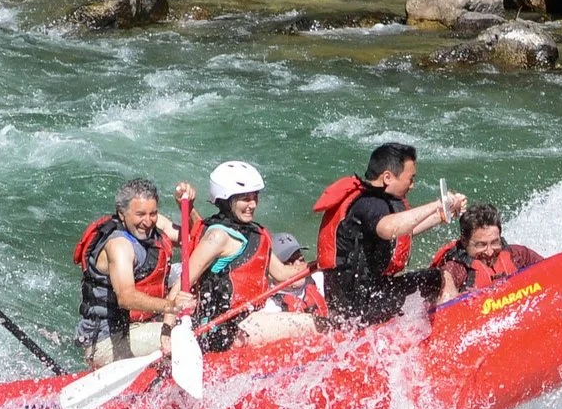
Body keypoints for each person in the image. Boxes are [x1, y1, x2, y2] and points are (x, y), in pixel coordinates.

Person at [317, 141, 464, 325]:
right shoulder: (371, 204)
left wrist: (442, 214)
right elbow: (390, 229)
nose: (412, 185)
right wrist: (438, 204)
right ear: (387, 177)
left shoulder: (366, 201)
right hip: (363, 307)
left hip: (349, 305)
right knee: (438, 278)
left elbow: (402, 231)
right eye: (410, 179)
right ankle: (454, 325)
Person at [185, 160, 321, 350]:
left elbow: (281, 274)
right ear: (226, 199)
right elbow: (182, 284)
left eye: (254, 197)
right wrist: (167, 331)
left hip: (246, 319)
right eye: (245, 198)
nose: (252, 204)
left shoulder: (254, 233)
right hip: (221, 329)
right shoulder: (218, 236)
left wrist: (322, 262)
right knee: (315, 325)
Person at [75, 176, 196, 368]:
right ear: (122, 214)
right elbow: (126, 297)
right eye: (140, 215)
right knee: (186, 336)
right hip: (108, 341)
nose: (147, 222)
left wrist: (188, 208)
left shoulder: (154, 225)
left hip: (141, 328)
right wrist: (172, 306)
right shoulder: (119, 246)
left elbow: (196, 238)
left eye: (153, 213)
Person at [433, 204, 544, 303]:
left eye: (495, 243)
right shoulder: (455, 269)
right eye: (481, 245)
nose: (490, 252)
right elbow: (445, 301)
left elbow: (550, 272)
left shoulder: (519, 255)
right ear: (464, 241)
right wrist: (463, 300)